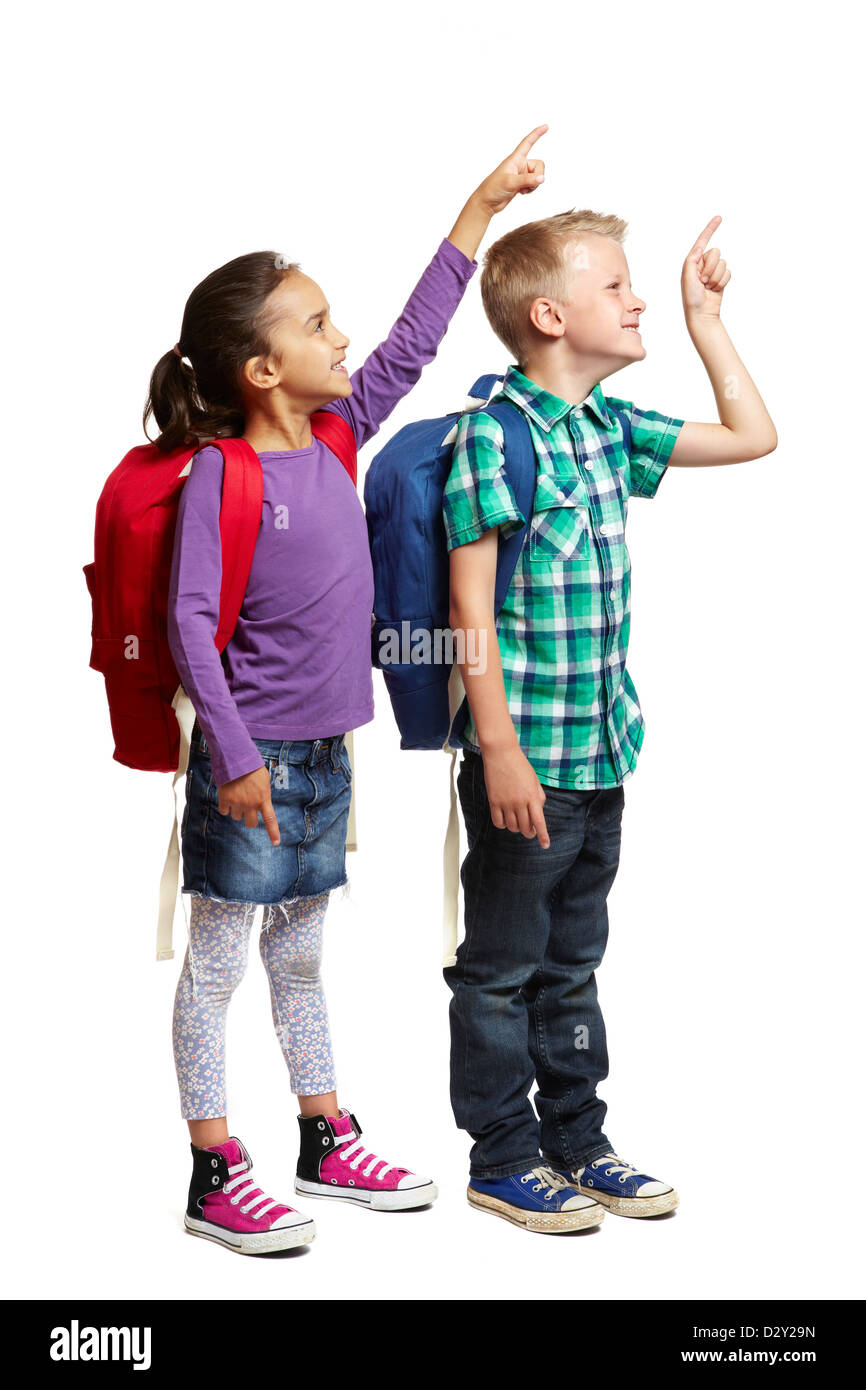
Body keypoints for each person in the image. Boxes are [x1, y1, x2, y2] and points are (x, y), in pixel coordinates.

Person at [149, 127, 549, 1256]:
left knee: (301, 958)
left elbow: (418, 337)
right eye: (318, 325)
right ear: (259, 369)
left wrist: (478, 205)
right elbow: (188, 624)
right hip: (251, 762)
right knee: (219, 962)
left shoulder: (335, 438)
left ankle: (323, 1138)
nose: (345, 336)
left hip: (326, 754)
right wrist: (228, 758)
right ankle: (213, 1164)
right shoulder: (224, 476)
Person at [442, 209, 777, 1234]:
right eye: (620, 287)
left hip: (599, 754)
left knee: (572, 962)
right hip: (524, 762)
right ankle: (502, 1157)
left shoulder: (604, 427)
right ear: (549, 314)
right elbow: (467, 613)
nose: (637, 302)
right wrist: (495, 748)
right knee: (499, 972)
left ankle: (575, 1142)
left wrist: (702, 321)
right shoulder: (490, 438)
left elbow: (752, 436)